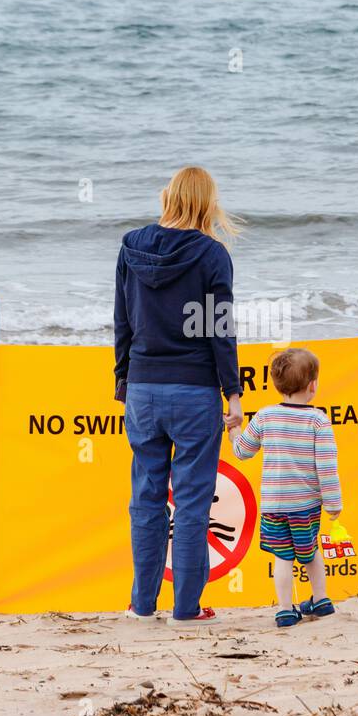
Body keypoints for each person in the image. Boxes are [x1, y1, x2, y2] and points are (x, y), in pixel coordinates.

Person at [114, 166, 243, 626]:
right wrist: (233, 393)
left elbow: (123, 321)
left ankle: (142, 606)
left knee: (146, 498)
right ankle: (186, 609)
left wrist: (123, 383)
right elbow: (219, 330)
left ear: (168, 196)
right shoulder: (212, 254)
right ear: (207, 202)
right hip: (193, 391)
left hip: (144, 390)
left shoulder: (131, 245)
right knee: (191, 501)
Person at [230, 347, 342, 627]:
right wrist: (333, 504)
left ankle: (284, 609)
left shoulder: (265, 417)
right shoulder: (319, 421)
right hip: (305, 505)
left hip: (274, 505)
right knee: (310, 551)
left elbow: (243, 451)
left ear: (278, 385)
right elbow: (327, 468)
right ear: (313, 386)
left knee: (283, 557)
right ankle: (321, 598)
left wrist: (232, 431)